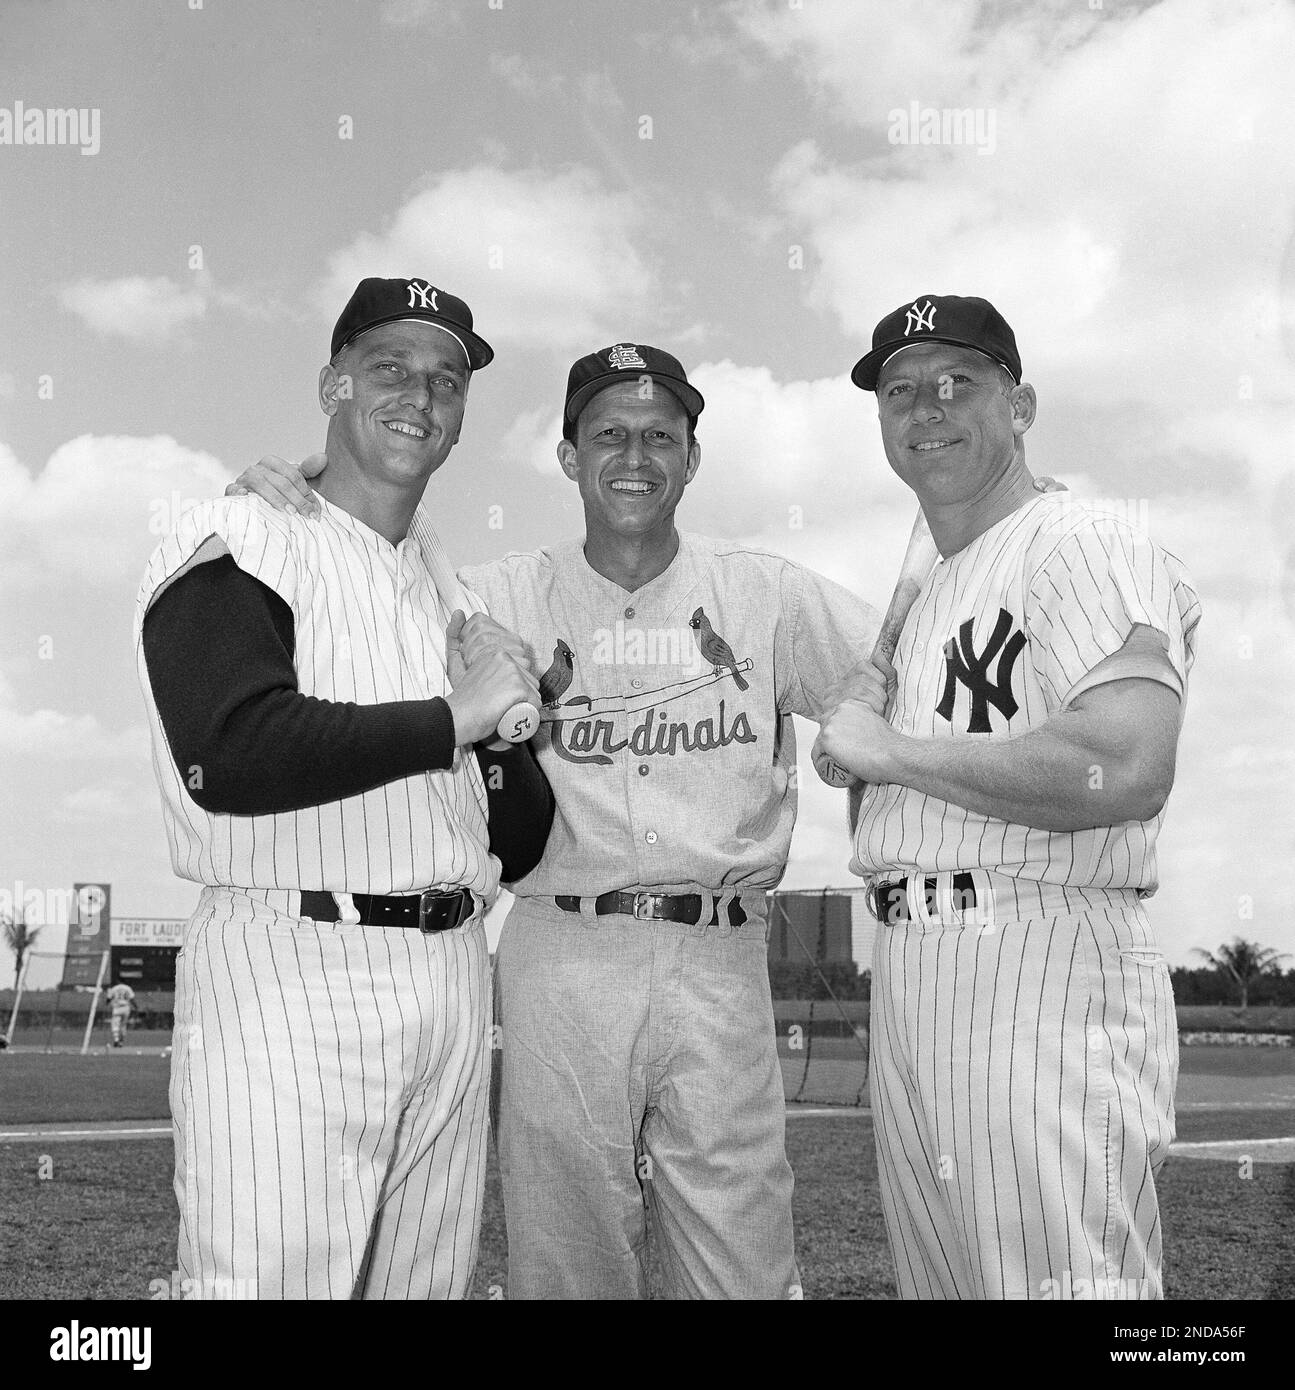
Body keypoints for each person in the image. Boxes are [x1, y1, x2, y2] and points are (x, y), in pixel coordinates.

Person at [229, 342, 880, 1300]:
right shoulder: (488, 595)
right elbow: (355, 578)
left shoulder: (766, 594)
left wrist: (998, 534)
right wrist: (297, 483)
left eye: (662, 436)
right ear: (568, 456)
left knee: (743, 1261)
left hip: (720, 958)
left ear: (692, 459)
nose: (636, 456)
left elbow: (905, 672)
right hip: (560, 950)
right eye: (607, 434)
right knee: (568, 1266)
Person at [134, 276, 553, 1300]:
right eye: (388, 367)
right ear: (331, 383)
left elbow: (523, 841)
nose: (421, 393)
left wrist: (496, 732)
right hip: (293, 967)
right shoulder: (241, 531)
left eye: (446, 380)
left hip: (453, 971)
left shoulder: (449, 587)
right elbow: (228, 749)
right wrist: (456, 718)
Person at [817, 294, 1201, 1301]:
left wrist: (889, 752)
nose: (924, 406)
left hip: (1038, 963)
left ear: (1019, 403)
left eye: (958, 381)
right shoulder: (931, 591)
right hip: (912, 969)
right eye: (898, 390)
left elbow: (1119, 766)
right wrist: (871, 753)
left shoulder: (1076, 538)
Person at [105, 980, 135, 1048]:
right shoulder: (127, 987)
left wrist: (107, 1003)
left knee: (115, 1024)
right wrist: (136, 1006)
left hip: (117, 1008)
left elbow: (109, 998)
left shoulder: (114, 988)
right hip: (126, 1008)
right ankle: (121, 1042)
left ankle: (116, 1040)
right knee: (123, 1025)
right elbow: (132, 998)